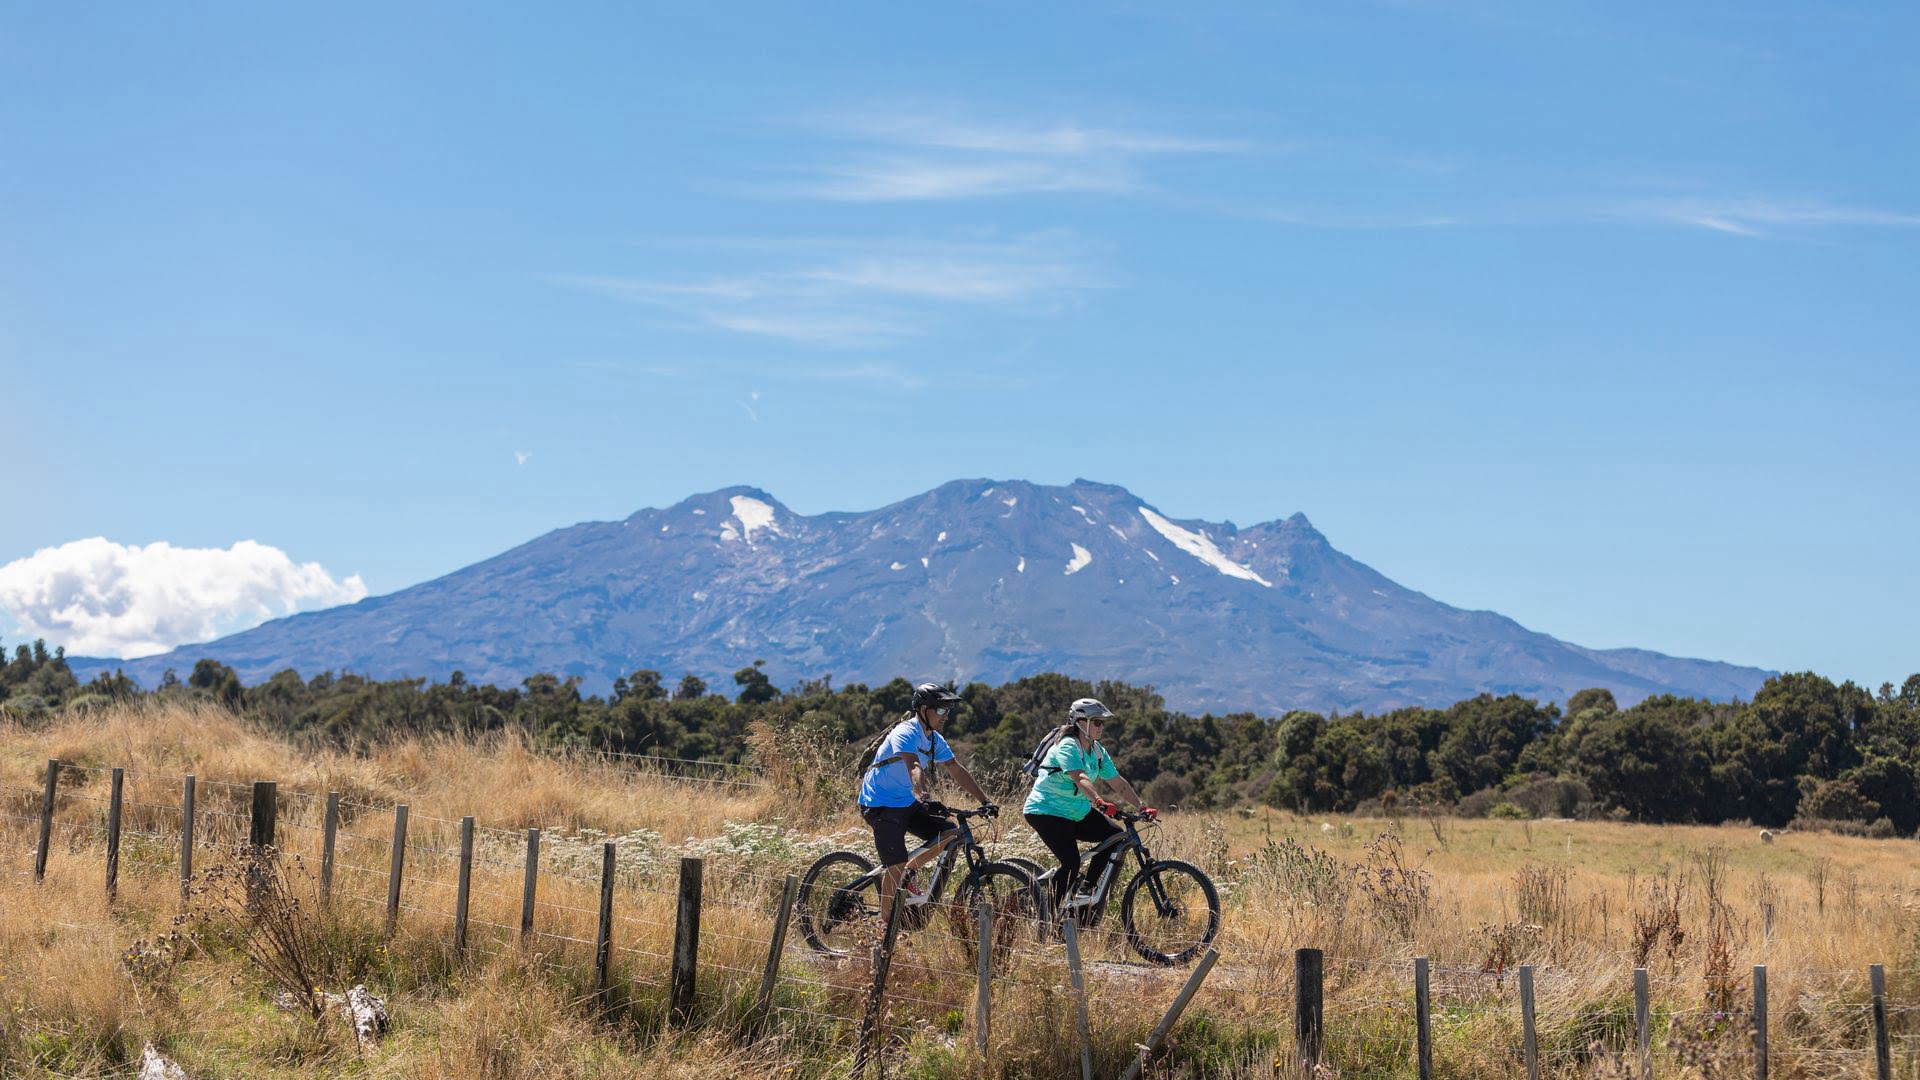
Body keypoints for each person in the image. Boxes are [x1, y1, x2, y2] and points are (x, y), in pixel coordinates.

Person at [857, 682, 996, 925]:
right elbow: (913, 765)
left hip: (904, 801)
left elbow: (954, 768)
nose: (946, 716)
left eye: (948, 711)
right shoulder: (905, 732)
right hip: (879, 802)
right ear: (923, 710)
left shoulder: (934, 739)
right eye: (940, 710)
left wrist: (985, 800)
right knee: (895, 864)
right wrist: (924, 796)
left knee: (950, 832)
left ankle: (908, 873)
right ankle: (884, 923)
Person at [1022, 697, 1156, 914]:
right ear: (1080, 722)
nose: (1101, 727)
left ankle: (1087, 890)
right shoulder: (1067, 746)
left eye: (1102, 723)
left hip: (1077, 812)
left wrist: (1141, 806)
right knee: (1071, 864)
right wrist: (1099, 802)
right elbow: (1080, 777)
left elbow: (1117, 782)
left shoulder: (1097, 751)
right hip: (1047, 811)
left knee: (1115, 838)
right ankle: (1048, 919)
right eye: (1096, 722)